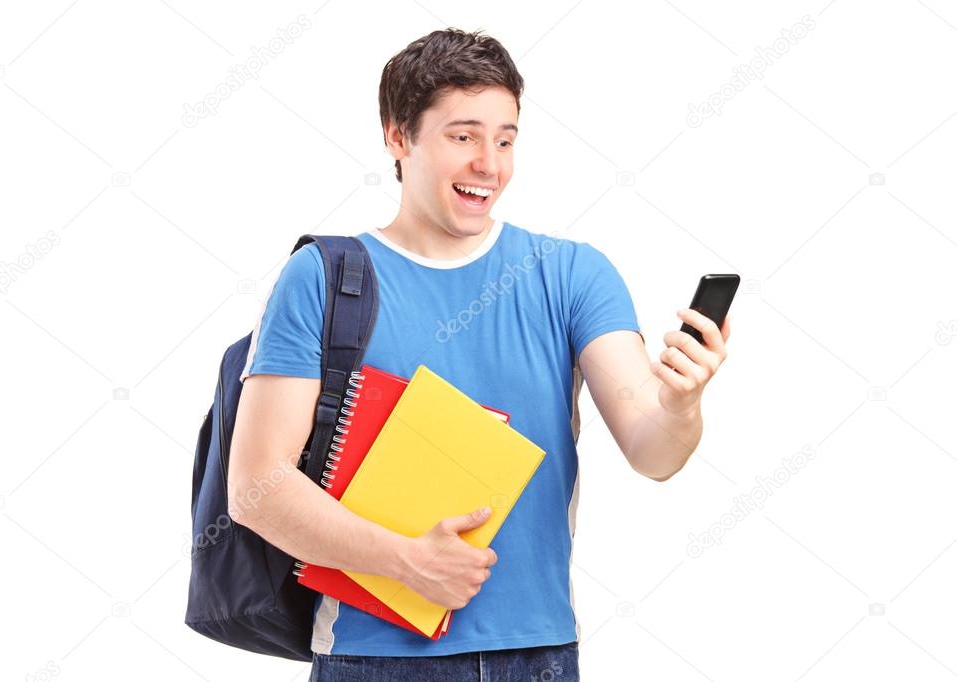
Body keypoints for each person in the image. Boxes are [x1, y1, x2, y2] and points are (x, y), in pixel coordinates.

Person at [227, 27, 731, 682]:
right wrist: (403, 559)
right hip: (371, 659)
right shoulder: (323, 278)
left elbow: (653, 452)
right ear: (397, 137)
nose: (489, 165)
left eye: (505, 139)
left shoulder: (573, 275)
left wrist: (681, 405)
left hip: (539, 656)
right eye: (462, 136)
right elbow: (255, 488)